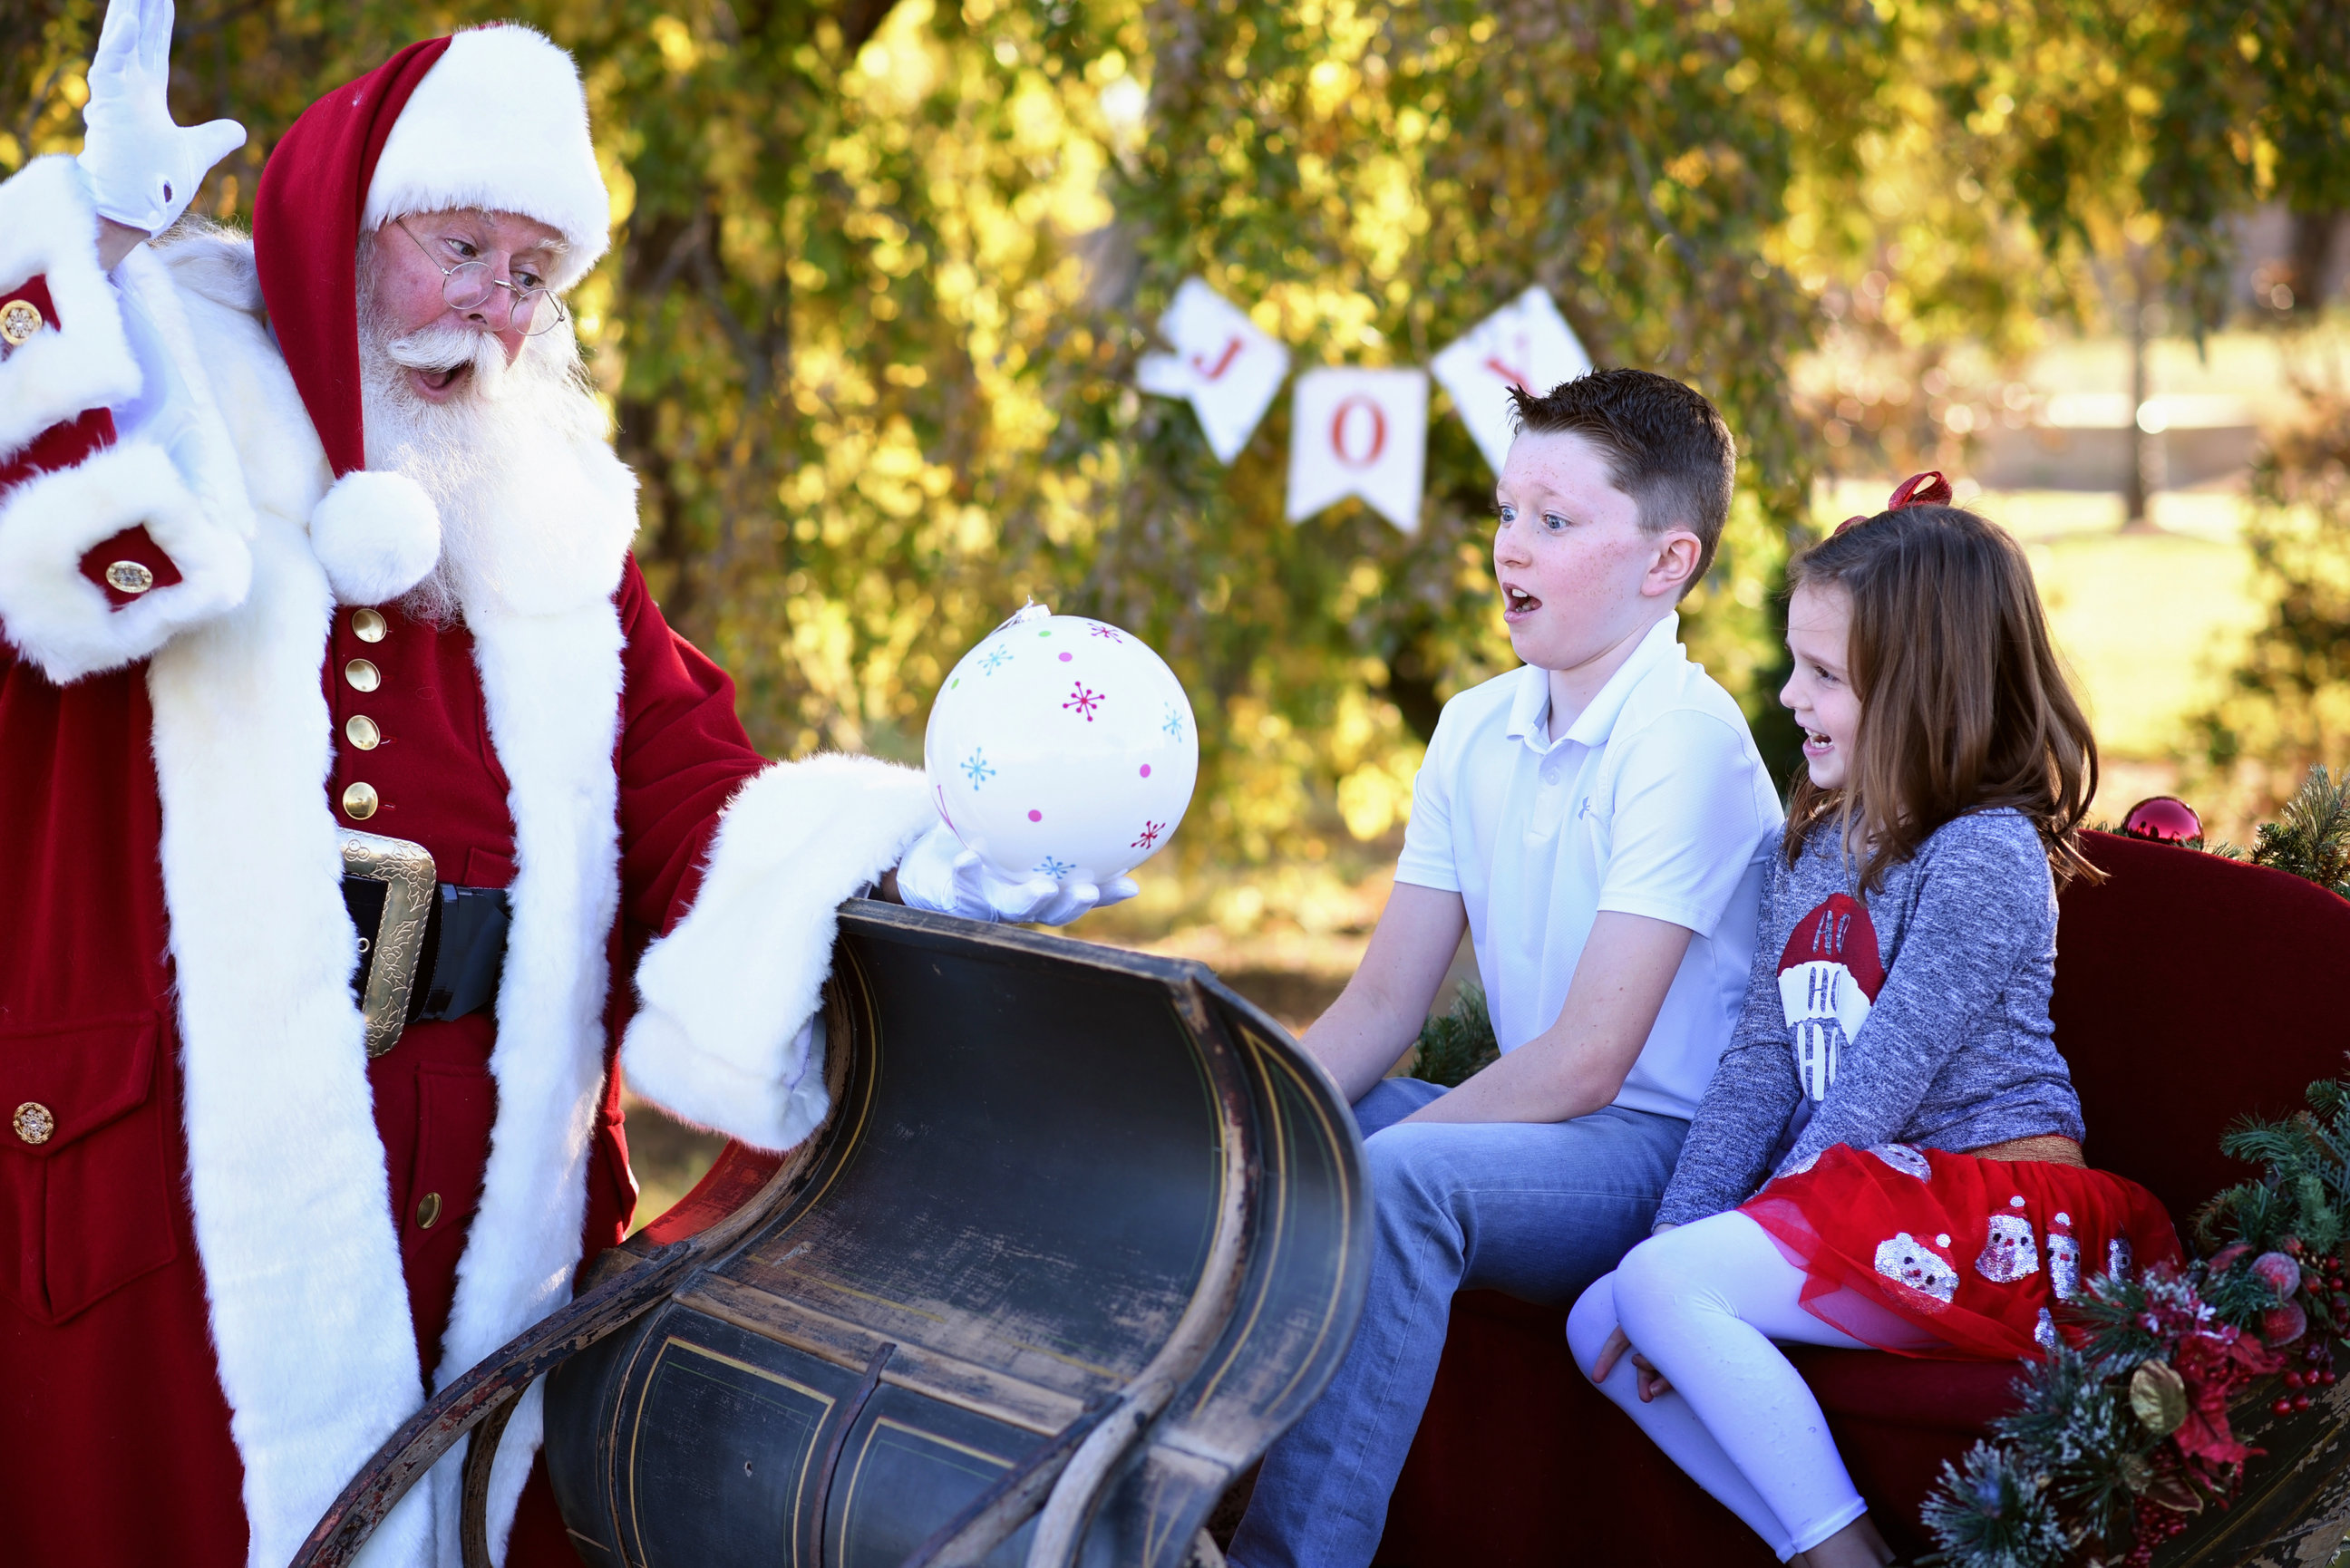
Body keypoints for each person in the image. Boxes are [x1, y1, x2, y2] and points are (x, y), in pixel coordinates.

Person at [0, 6, 1122, 1564]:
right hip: (162, 1191)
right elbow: (29, 561)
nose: (494, 312)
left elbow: (690, 790)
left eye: (534, 276)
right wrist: (82, 257)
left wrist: (922, 857)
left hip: (475, 1199)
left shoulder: (551, 531)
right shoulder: (162, 428)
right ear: (348, 229)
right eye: (461, 248)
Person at [1568, 479, 2182, 1567]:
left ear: (1922, 690)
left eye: (1825, 675)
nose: (1790, 694)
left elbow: (1876, 1083)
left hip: (2000, 1214)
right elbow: (1764, 1064)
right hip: (1870, 1196)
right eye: (1793, 662)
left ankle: (1845, 1557)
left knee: (1666, 1288)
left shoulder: (1984, 853)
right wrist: (1678, 1236)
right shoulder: (1809, 853)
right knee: (1606, 1317)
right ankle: (1821, 1547)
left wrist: (1723, 1248)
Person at [1228, 370, 1782, 1568]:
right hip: (1532, 1127)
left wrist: (1375, 1157)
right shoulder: (1476, 725)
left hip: (1656, 1152)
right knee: (1279, 1135)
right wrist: (1250, 1109)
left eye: (1555, 519)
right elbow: (1383, 1003)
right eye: (1504, 509)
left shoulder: (1685, 743)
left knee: (1396, 1179)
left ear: (1666, 562)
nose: (1508, 548)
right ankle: (1143, 1517)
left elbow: (1589, 1061)